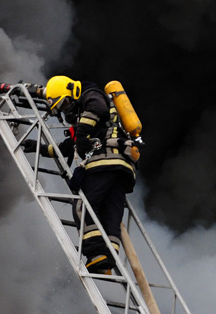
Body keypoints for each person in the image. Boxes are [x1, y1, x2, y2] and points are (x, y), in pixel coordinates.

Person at [24, 75, 138, 274]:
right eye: (62, 108)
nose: (67, 109)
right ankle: (107, 260)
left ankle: (95, 253)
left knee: (82, 207)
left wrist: (83, 132)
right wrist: (37, 148)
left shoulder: (90, 94)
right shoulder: (85, 121)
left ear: (73, 92)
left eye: (67, 103)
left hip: (104, 162)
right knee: (109, 212)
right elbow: (65, 149)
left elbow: (97, 108)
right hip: (121, 167)